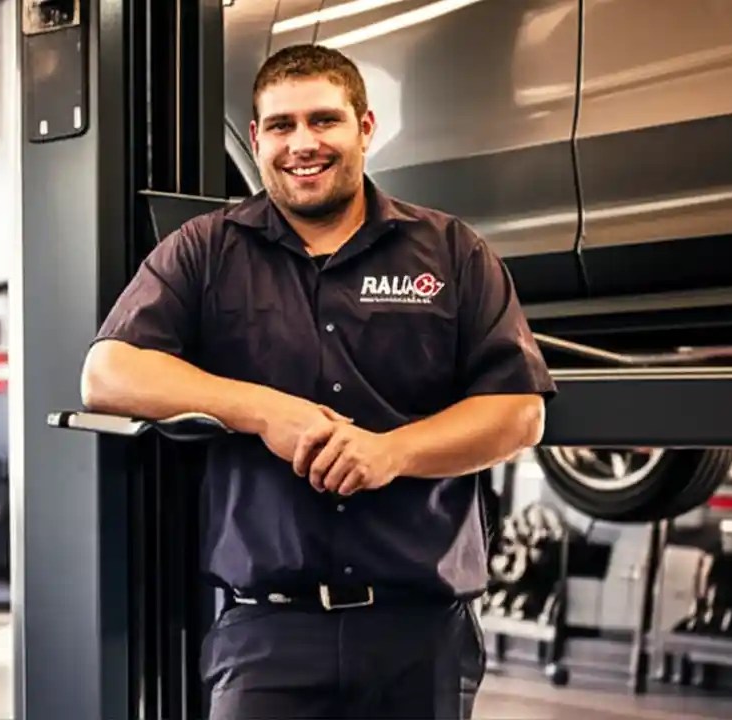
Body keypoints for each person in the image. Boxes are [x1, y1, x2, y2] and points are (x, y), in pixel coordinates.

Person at [80, 43, 556, 720]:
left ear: (365, 127)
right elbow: (108, 371)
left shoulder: (451, 252)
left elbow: (517, 412)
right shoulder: (206, 250)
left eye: (324, 121)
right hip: (268, 635)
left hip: (419, 632)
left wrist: (392, 453)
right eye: (281, 126)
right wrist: (264, 410)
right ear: (256, 138)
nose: (302, 143)